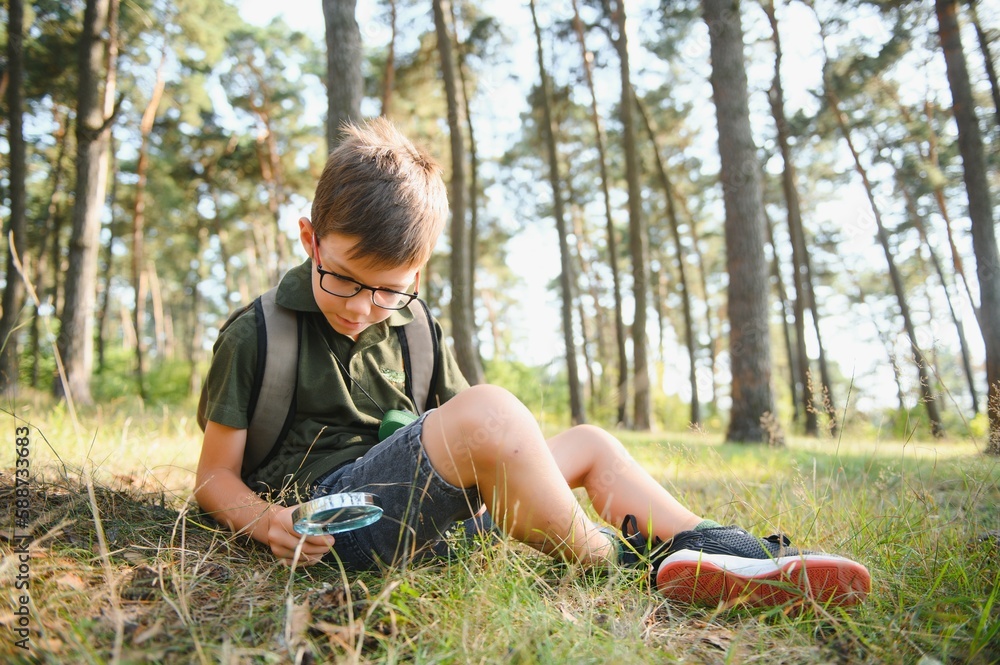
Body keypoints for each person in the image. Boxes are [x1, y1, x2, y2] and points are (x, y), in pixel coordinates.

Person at [195, 118, 870, 608]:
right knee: (490, 409)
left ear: (417, 273)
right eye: (344, 278)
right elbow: (213, 478)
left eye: (389, 289)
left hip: (438, 523)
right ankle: (623, 561)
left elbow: (467, 444)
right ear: (310, 239)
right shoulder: (260, 334)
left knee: (589, 443)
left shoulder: (415, 328)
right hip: (338, 528)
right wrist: (266, 521)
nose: (364, 306)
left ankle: (728, 551)